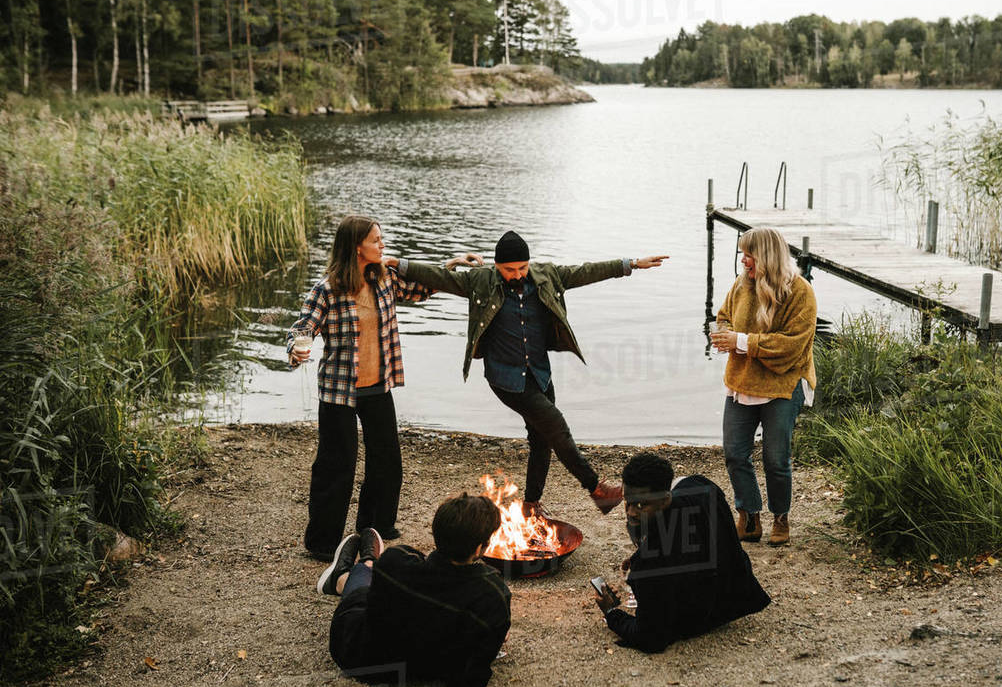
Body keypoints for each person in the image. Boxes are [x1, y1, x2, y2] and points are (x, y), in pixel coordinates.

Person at [392, 231, 668, 515]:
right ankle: (597, 489)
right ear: (497, 266)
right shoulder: (481, 280)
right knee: (556, 425)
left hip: (539, 373)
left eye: (522, 268)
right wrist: (397, 263)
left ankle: (531, 504)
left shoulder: (546, 275)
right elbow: (438, 277)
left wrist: (632, 264)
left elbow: (586, 271)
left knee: (542, 439)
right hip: (505, 378)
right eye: (509, 270)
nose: (517, 274)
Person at [287, 215, 476, 559]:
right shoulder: (327, 289)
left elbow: (422, 288)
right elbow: (302, 329)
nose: (382, 244)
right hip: (339, 391)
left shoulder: (384, 279)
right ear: (357, 247)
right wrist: (297, 351)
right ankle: (322, 543)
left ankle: (375, 528)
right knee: (336, 467)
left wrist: (452, 265)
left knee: (387, 461)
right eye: (376, 240)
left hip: (377, 386)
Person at [319, 495, 511, 687]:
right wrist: (492, 632)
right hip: (431, 671)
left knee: (365, 586)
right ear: (479, 547)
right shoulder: (492, 597)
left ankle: (351, 571)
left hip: (363, 660)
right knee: (370, 587)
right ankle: (351, 572)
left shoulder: (396, 561)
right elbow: (475, 675)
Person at [595, 452, 770, 653]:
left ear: (665, 499)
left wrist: (610, 612)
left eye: (642, 505)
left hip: (695, 619)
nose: (631, 511)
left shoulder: (650, 564)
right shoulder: (704, 488)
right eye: (628, 501)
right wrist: (639, 555)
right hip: (733, 600)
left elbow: (650, 639)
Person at [710, 226, 817, 547]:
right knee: (734, 454)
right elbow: (724, 316)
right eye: (742, 253)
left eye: (749, 254)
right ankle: (749, 516)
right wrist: (721, 332)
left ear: (767, 256)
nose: (743, 260)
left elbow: (793, 345)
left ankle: (781, 517)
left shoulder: (800, 292)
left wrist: (741, 341)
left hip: (782, 385)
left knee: (776, 458)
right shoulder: (742, 285)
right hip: (742, 383)